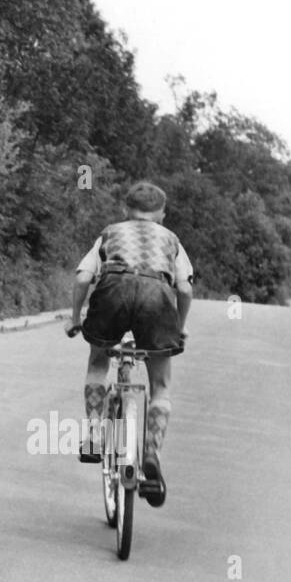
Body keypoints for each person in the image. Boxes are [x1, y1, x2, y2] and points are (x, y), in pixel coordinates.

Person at [65, 181, 193, 507]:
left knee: (98, 362)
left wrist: (76, 318)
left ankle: (94, 433)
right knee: (161, 384)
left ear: (126, 209)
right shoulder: (171, 240)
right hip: (156, 296)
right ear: (162, 213)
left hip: (113, 290)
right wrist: (179, 326)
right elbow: (185, 288)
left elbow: (82, 277)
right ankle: (151, 453)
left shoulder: (110, 233)